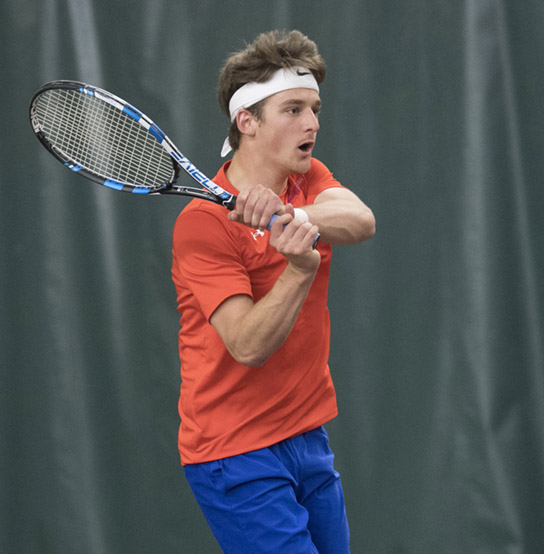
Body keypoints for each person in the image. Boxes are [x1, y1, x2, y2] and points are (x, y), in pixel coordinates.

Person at [171, 29, 375, 553]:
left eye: (315, 109)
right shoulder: (202, 224)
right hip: (235, 451)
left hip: (307, 435)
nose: (313, 123)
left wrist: (292, 215)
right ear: (247, 122)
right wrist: (298, 270)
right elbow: (247, 345)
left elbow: (361, 220)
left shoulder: (305, 181)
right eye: (293, 109)